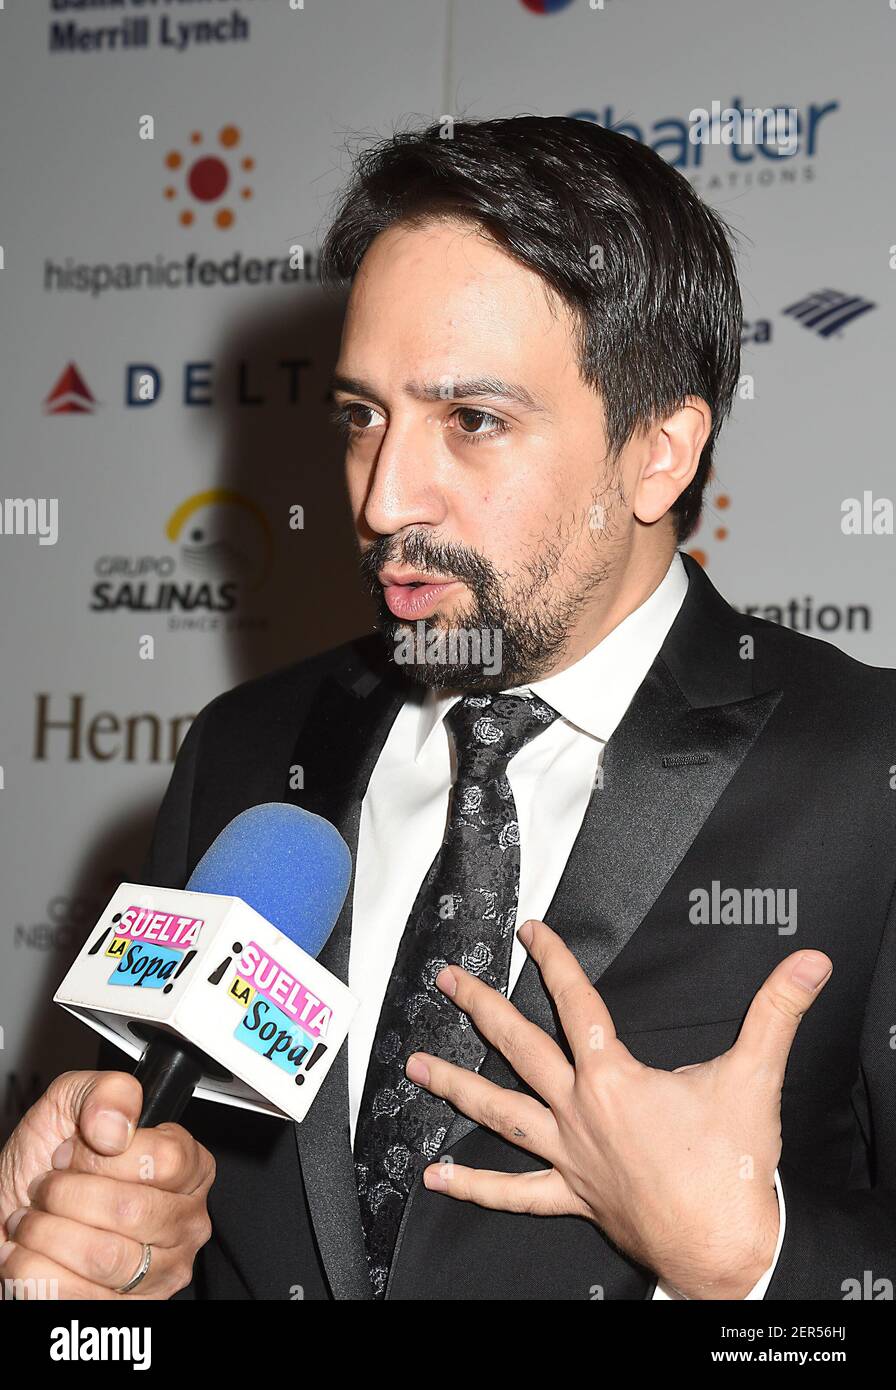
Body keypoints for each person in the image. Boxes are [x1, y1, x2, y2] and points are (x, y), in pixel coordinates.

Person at [8, 115, 896, 1300]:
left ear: (658, 451)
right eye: (361, 415)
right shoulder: (246, 751)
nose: (380, 499)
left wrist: (747, 1259)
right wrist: (103, 1276)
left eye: (470, 421)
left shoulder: (862, 771)